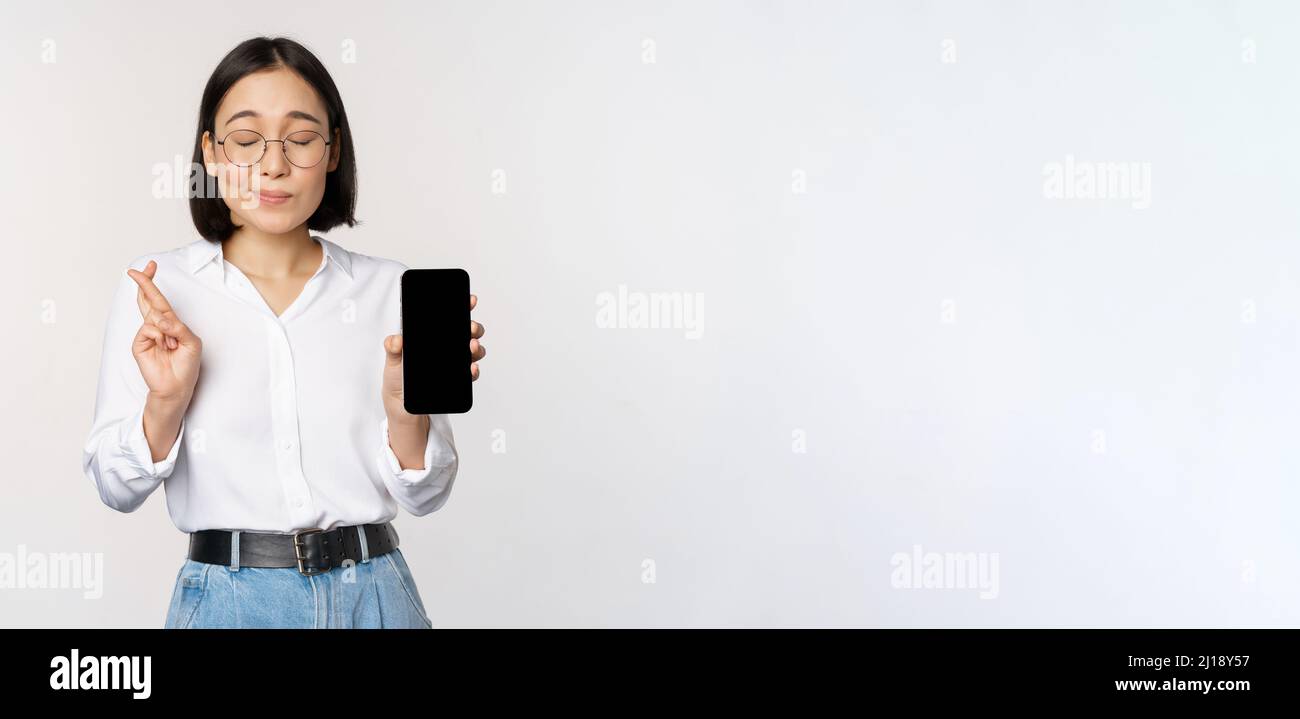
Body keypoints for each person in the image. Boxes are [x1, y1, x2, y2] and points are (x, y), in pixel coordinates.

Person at [81, 36, 487, 628]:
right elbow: (114, 488)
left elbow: (426, 498)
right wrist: (165, 404)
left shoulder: (391, 292)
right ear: (211, 153)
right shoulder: (160, 289)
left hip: (375, 597)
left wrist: (406, 414)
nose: (273, 165)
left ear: (331, 151)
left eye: (300, 139)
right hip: (229, 603)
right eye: (246, 141)